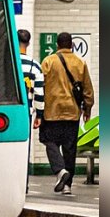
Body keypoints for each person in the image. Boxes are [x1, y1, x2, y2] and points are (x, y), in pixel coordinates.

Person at [38, 32, 95, 195]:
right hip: (72, 112)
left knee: (49, 141)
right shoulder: (80, 63)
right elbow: (88, 89)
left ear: (57, 45)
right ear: (72, 45)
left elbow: (40, 86)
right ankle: (67, 186)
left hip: (52, 112)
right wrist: (87, 109)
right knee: (70, 149)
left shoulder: (48, 61)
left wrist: (39, 110)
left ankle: (60, 171)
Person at [18, 29, 44, 190]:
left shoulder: (7, 63)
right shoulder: (34, 66)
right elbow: (39, 93)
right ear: (28, 43)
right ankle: (23, 185)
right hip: (25, 112)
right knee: (24, 149)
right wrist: (39, 115)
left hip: (6, 112)